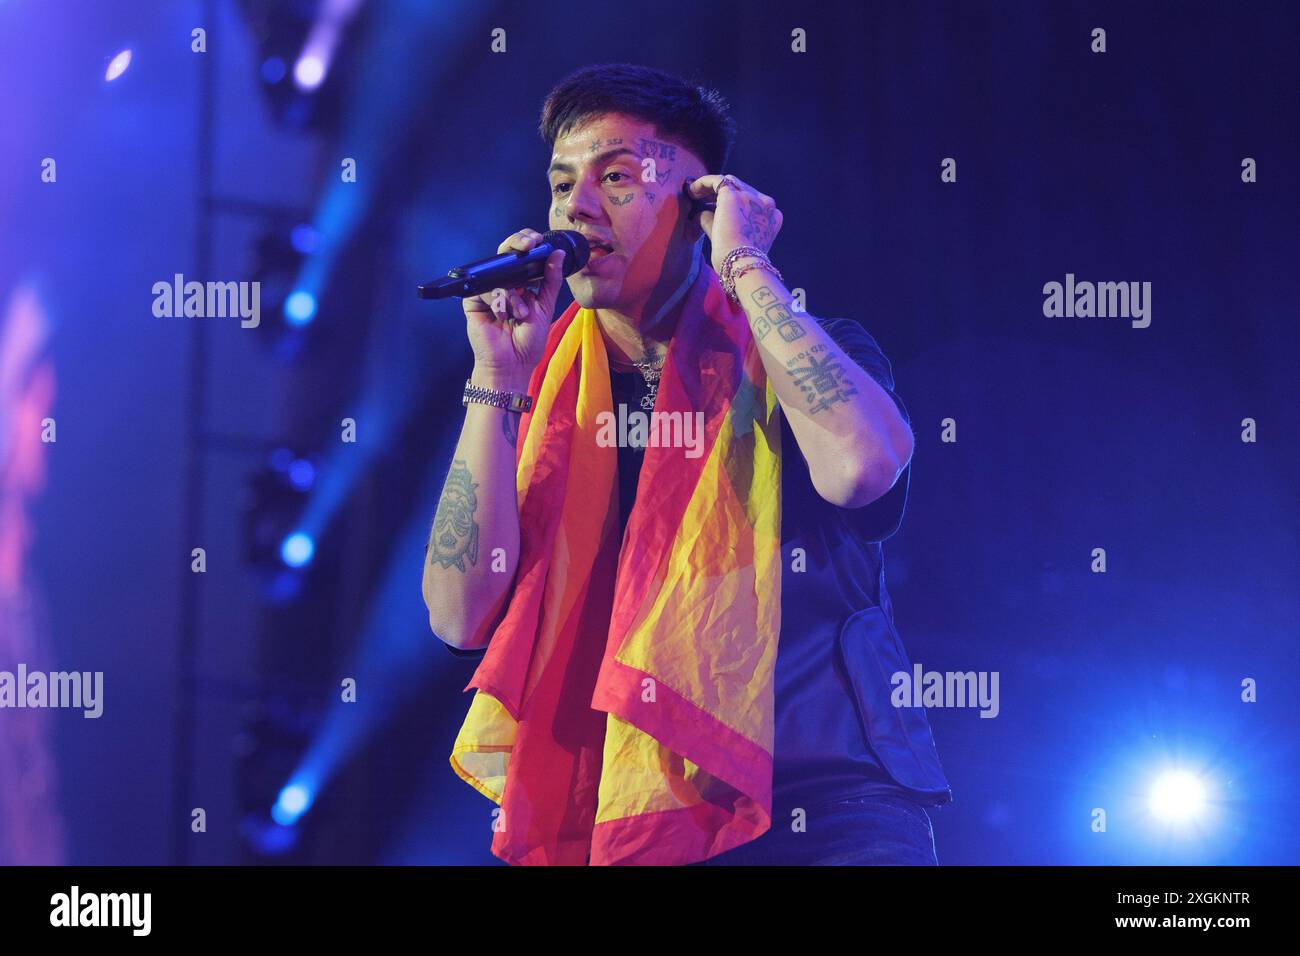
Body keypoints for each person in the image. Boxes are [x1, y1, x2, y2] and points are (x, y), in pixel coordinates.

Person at [423, 63, 951, 866]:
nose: (578, 206)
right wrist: (495, 375)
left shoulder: (808, 351)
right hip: (634, 819)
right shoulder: (536, 395)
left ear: (704, 203)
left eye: (619, 177)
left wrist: (747, 266)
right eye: (563, 184)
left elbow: (862, 469)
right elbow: (458, 615)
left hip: (826, 804)